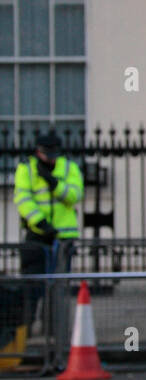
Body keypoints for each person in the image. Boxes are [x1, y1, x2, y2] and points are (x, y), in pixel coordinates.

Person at [13, 127, 83, 333]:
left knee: (59, 288)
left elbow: (74, 195)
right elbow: (23, 199)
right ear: (38, 151)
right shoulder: (26, 169)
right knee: (33, 286)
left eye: (54, 154)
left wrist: (54, 184)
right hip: (37, 235)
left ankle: (54, 331)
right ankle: (26, 330)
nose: (51, 159)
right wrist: (41, 223)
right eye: (47, 154)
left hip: (64, 237)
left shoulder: (69, 168)